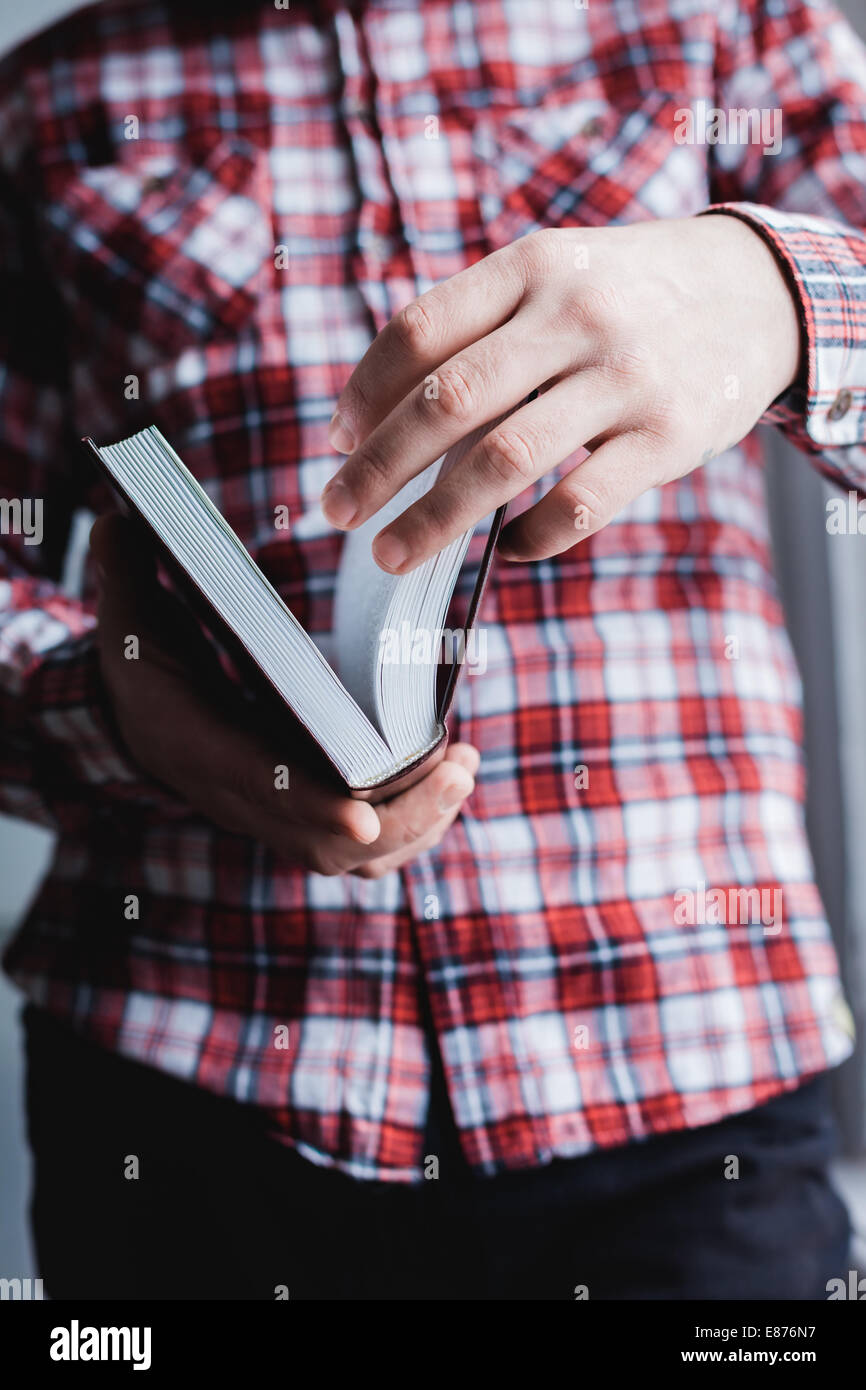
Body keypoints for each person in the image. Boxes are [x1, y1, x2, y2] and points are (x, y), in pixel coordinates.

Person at [1, 0, 863, 1300]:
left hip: (690, 1080)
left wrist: (780, 296)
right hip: (185, 1082)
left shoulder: (728, 19)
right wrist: (104, 707)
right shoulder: (47, 100)